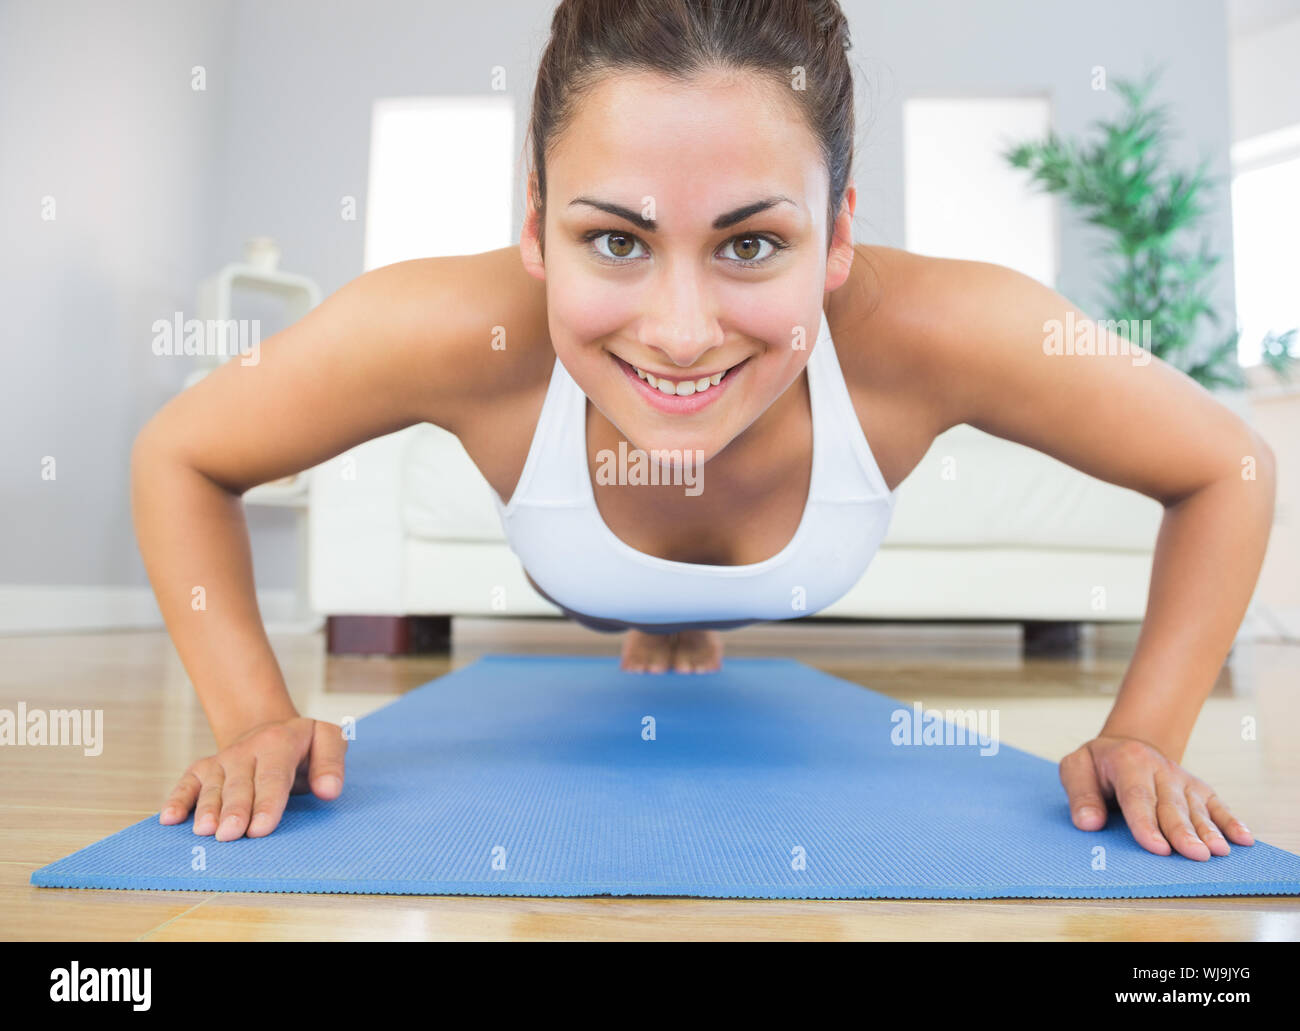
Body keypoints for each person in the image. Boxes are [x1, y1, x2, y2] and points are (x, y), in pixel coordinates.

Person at [132, 0, 1272, 860]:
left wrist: (1148, 735)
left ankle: (670, 626)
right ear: (537, 227)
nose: (679, 335)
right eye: (616, 240)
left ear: (836, 238)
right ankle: (657, 621)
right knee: (629, 601)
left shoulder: (947, 328)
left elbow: (1227, 463)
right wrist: (254, 716)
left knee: (665, 616)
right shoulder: (443, 325)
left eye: (751, 243)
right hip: (580, 576)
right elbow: (180, 452)